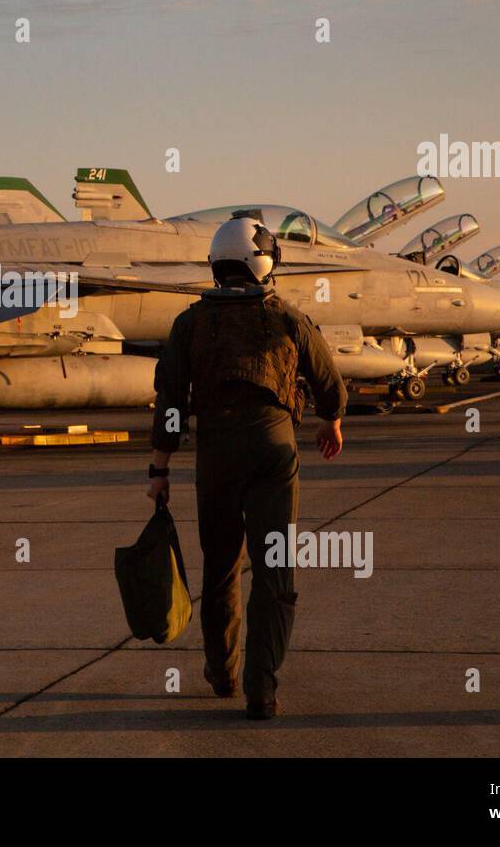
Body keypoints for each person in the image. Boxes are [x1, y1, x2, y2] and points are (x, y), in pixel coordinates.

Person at [147, 212, 346, 720]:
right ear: (265, 262)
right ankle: (263, 690)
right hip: (273, 452)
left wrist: (160, 466)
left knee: (220, 569)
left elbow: (170, 397)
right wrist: (331, 422)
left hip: (216, 456)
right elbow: (329, 382)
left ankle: (223, 672)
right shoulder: (288, 316)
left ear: (217, 265)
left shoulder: (189, 322)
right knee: (275, 569)